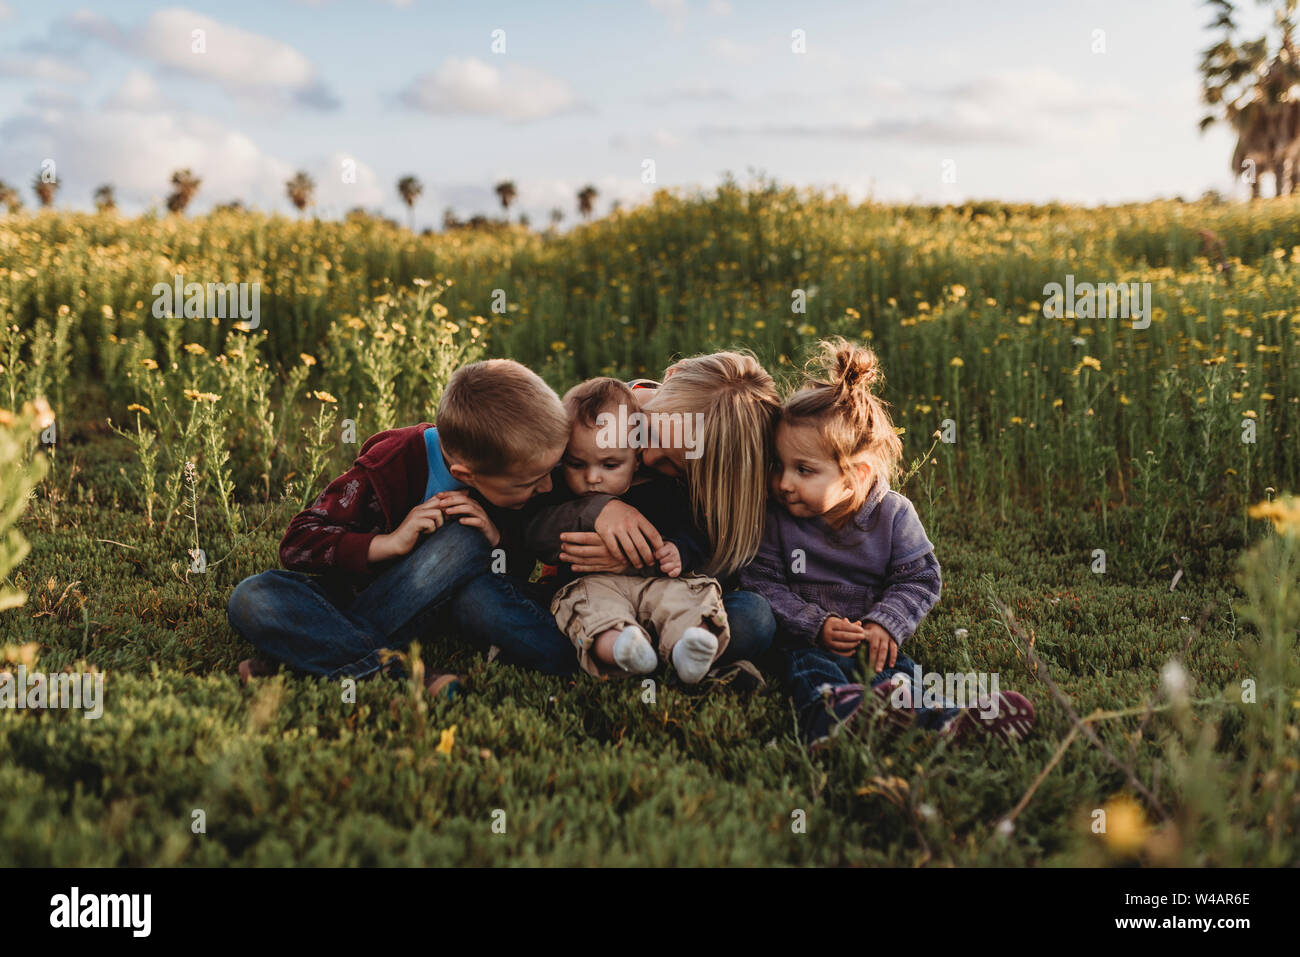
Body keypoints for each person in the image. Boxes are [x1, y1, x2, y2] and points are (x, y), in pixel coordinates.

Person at [738, 338, 1036, 748]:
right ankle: (833, 723)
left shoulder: (892, 516)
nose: (784, 483)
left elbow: (919, 578)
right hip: (806, 639)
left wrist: (886, 623)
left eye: (804, 470)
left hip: (870, 639)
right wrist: (814, 624)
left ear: (856, 476)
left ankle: (949, 722)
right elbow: (761, 582)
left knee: (900, 678)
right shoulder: (778, 517)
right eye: (780, 466)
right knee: (812, 673)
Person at [226, 358, 570, 693]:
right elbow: (298, 542)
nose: (547, 487)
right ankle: (403, 673)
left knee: (470, 552)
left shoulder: (521, 466)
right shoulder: (391, 463)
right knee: (254, 596)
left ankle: (306, 660)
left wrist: (496, 540)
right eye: (532, 483)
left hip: (450, 609)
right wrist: (390, 543)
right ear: (465, 475)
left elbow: (514, 574)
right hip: (363, 593)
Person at [446, 351, 782, 687]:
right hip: (587, 599)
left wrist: (640, 561)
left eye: (673, 466)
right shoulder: (596, 420)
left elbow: (714, 566)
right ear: (672, 374)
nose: (647, 457)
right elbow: (531, 521)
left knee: (753, 617)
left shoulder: (714, 467)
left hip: (670, 607)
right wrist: (596, 510)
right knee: (477, 600)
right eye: (649, 435)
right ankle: (646, 660)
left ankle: (617, 658)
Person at [528, 377, 728, 682]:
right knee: (592, 610)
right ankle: (623, 649)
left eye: (610, 465)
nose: (592, 477)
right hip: (593, 583)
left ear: (637, 459)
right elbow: (535, 532)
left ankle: (689, 646)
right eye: (577, 464)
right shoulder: (562, 493)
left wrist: (679, 550)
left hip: (659, 582)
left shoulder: (665, 489)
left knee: (686, 599)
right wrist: (585, 515)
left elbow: (697, 531)